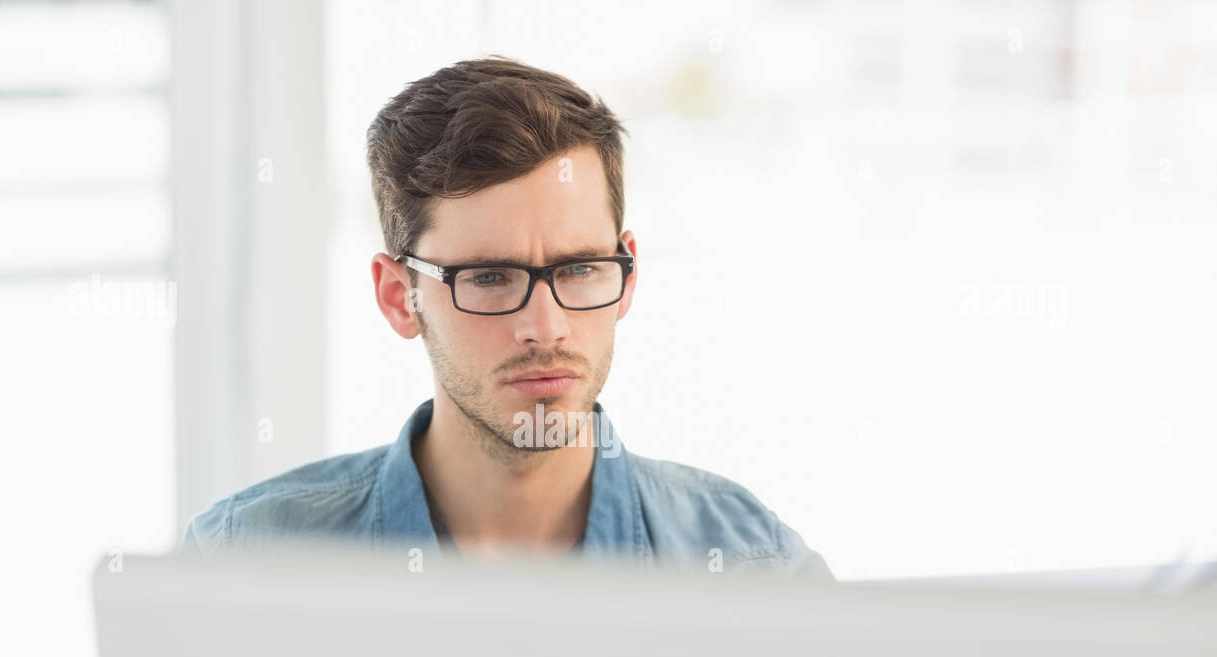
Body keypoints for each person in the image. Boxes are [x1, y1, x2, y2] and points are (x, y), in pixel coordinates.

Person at [182, 56, 829, 578]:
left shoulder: (757, 573)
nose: (546, 328)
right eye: (490, 278)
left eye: (578, 269)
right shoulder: (244, 566)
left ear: (626, 274)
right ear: (396, 297)